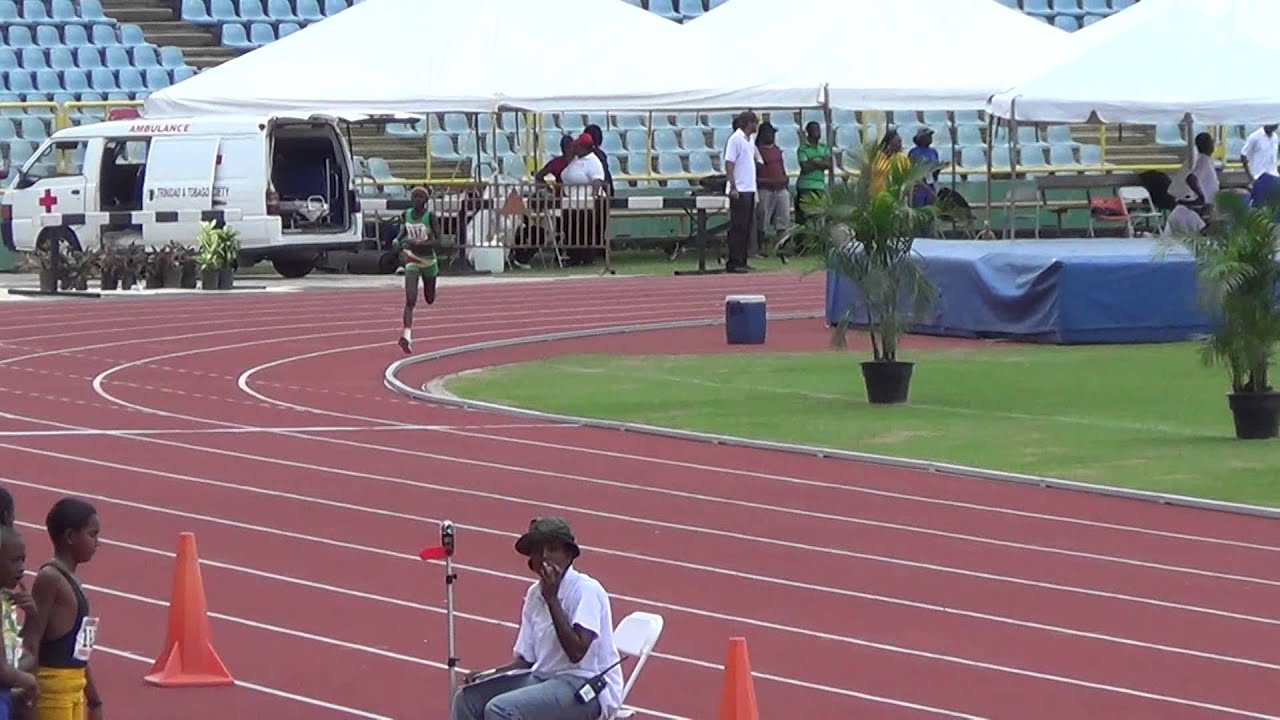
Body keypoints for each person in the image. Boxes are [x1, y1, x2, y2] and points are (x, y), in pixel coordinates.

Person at [449, 518, 622, 720]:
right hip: (543, 678)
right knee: (467, 699)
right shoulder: (534, 594)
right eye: (538, 550)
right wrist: (490, 674)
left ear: (568, 555)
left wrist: (552, 599)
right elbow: (526, 660)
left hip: (585, 685)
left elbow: (577, 653)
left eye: (552, 549)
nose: (545, 556)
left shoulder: (586, 590)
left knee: (500, 709)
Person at [21, 498, 102, 720]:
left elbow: (80, 648)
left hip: (75, 689)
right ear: (69, 537)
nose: (98, 543)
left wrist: (94, 699)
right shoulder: (50, 579)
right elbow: (31, 637)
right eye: (92, 534)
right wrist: (27, 692)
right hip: (53, 692)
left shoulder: (73, 580)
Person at [395, 186, 440, 354]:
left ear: (426, 201)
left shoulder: (430, 217)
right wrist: (397, 240)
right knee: (410, 299)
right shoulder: (406, 215)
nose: (417, 200)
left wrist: (420, 244)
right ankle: (406, 336)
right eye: (415, 197)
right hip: (412, 258)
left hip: (428, 261)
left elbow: (439, 241)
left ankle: (433, 288)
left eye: (421, 197)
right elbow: (403, 232)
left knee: (429, 298)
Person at [0, 526, 37, 720]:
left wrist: (31, 617)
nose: (21, 567)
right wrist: (28, 681)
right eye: (14, 560)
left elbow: (26, 656)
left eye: (23, 559)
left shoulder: (6, 601)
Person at [723, 110, 760, 273]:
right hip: (739, 189)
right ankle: (734, 261)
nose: (756, 126)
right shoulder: (735, 139)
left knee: (746, 226)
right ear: (748, 123)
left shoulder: (750, 140)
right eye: (754, 123)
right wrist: (733, 186)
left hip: (749, 188)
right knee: (738, 227)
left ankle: (742, 259)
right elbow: (729, 163)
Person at [793, 121, 831, 255]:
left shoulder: (824, 146)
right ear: (808, 132)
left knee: (819, 218)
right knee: (804, 219)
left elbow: (829, 164)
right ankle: (801, 247)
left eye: (819, 129)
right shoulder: (803, 148)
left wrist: (814, 162)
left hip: (820, 186)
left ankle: (818, 246)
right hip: (805, 186)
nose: (818, 133)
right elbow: (805, 167)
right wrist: (819, 162)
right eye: (815, 130)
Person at [753, 123, 790, 258]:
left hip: (780, 188)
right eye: (769, 133)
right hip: (765, 188)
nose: (772, 136)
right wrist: (767, 181)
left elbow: (782, 168)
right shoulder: (757, 151)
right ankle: (760, 247)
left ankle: (782, 247)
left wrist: (785, 179)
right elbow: (754, 174)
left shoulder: (777, 150)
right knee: (762, 218)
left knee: (783, 218)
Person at [869, 129, 911, 196]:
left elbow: (909, 175)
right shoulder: (876, 157)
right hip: (877, 195)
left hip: (895, 195)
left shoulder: (902, 158)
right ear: (889, 144)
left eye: (900, 142)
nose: (900, 145)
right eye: (898, 142)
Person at [907, 128, 942, 208]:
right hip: (918, 188)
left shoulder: (933, 152)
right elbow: (913, 172)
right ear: (921, 138)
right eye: (928, 136)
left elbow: (935, 171)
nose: (930, 138)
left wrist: (939, 168)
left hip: (931, 185)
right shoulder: (914, 152)